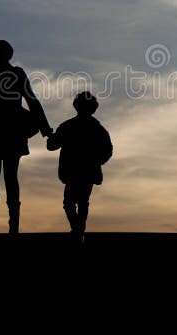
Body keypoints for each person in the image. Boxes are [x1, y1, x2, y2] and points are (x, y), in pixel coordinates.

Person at [0, 40, 52, 235]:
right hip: (13, 129)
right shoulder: (17, 74)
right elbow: (33, 102)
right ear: (9, 55)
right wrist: (45, 128)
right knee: (10, 176)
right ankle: (12, 221)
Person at [47, 91, 113, 243]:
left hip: (72, 171)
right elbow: (108, 150)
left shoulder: (67, 126)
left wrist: (51, 137)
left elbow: (51, 146)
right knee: (82, 202)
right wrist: (98, 162)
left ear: (76, 106)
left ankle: (78, 230)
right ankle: (79, 231)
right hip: (88, 172)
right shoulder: (98, 129)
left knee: (69, 203)